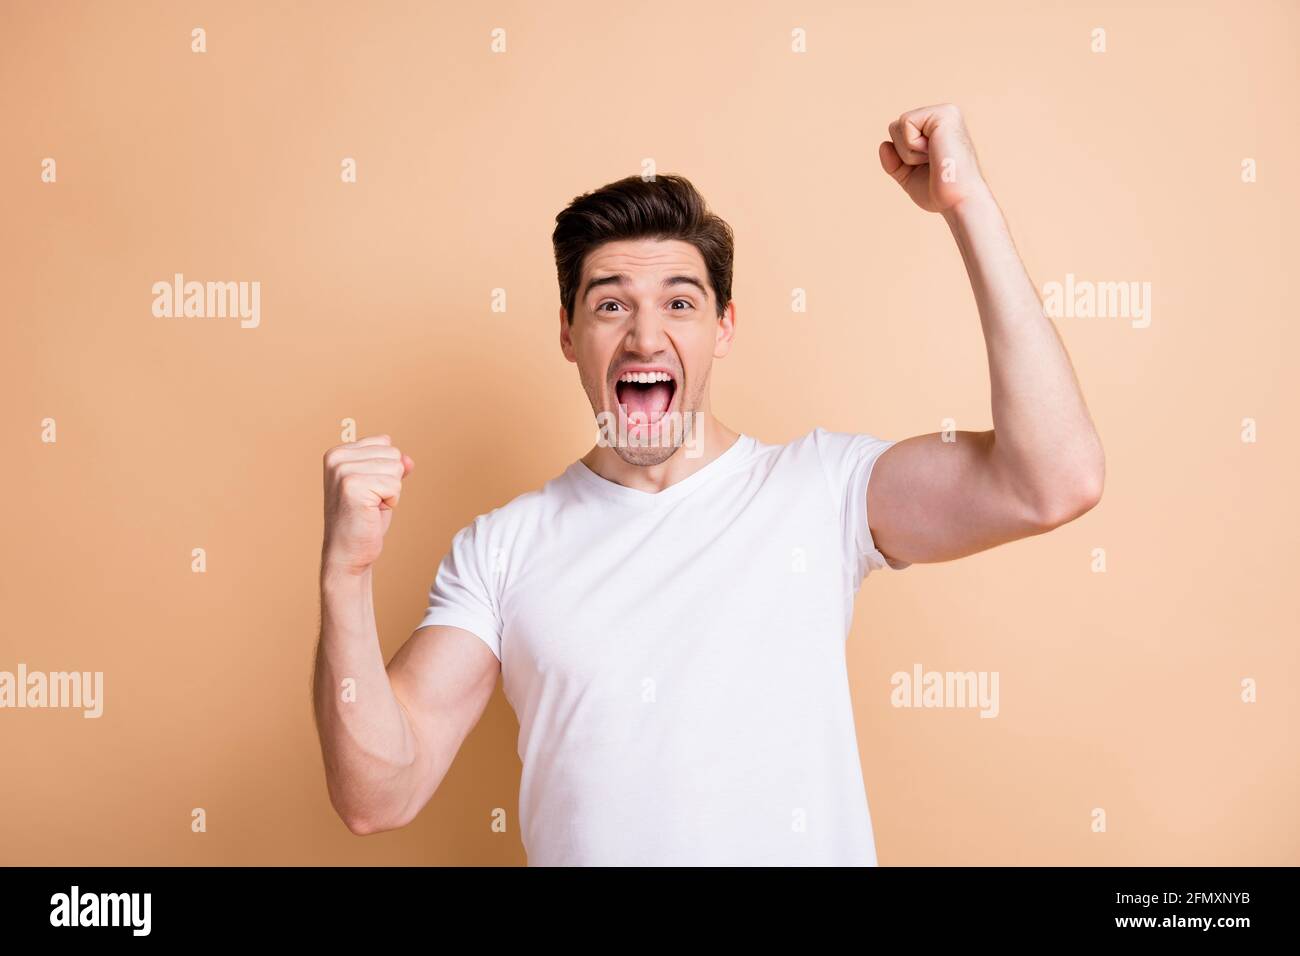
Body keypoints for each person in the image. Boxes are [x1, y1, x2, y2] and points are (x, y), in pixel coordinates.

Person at [312, 104, 1105, 866]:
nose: (645, 335)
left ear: (724, 326)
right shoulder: (504, 548)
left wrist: (967, 204)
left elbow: (1054, 479)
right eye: (611, 303)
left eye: (679, 303)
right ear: (568, 333)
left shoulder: (821, 492)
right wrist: (346, 578)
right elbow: (379, 793)